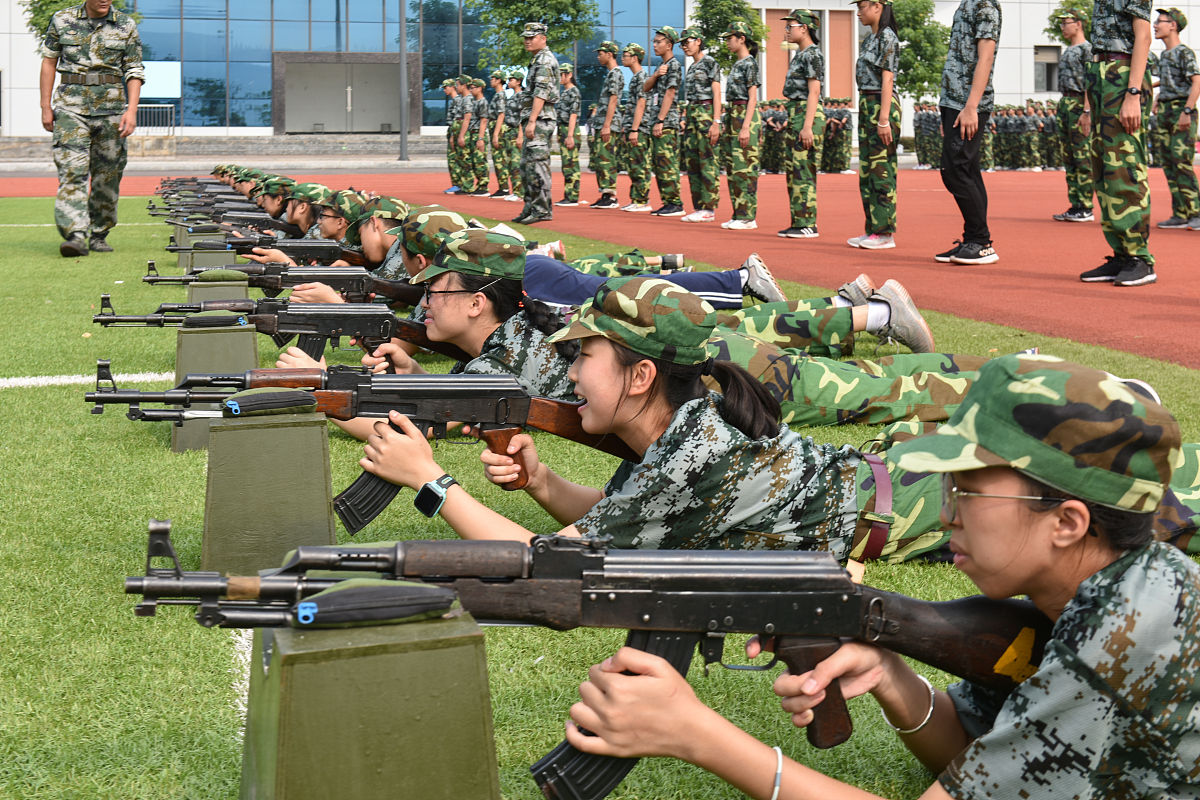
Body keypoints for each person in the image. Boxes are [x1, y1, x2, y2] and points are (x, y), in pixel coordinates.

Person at [560, 352, 1200, 800]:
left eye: (969, 492)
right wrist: (892, 676)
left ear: (1067, 522)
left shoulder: (1125, 635)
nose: (947, 513)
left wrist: (696, 735)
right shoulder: (1101, 596)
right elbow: (976, 757)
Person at [360, 272, 955, 562]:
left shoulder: (688, 458)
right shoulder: (677, 427)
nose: (571, 374)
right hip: (894, 468)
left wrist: (431, 483)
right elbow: (616, 511)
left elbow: (546, 562)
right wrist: (541, 481)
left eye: (583, 357)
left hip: (924, 498)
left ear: (642, 376)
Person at [39, 0, 144, 257]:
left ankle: (99, 232)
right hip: (70, 108)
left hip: (111, 111)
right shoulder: (62, 20)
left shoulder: (126, 25)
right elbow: (49, 61)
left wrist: (131, 110)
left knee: (107, 175)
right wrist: (45, 106)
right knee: (72, 171)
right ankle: (75, 234)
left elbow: (134, 69)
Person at [1077, 0, 1156, 286]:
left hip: (1123, 75)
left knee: (1125, 168)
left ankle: (1140, 258)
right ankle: (1121, 253)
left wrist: (1133, 93)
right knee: (1103, 171)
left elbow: (1143, 36)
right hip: (1100, 74)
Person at [933, 0, 1001, 267]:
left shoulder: (985, 5)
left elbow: (986, 56)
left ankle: (981, 242)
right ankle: (974, 238)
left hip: (967, 103)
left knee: (956, 170)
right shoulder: (967, 5)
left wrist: (971, 106)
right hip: (954, 102)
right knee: (967, 170)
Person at [847, 0, 901, 250]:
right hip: (868, 102)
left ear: (878, 6)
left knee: (882, 170)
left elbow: (887, 79)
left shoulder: (887, 37)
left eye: (863, 6)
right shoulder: (870, 39)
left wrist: (884, 119)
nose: (859, 12)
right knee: (867, 171)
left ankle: (884, 232)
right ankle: (872, 229)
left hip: (881, 103)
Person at [1151, 7, 1200, 230]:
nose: (1155, 25)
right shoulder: (1165, 55)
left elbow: (1196, 81)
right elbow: (1169, 79)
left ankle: (1196, 212)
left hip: (1181, 109)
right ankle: (1180, 213)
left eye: (1159, 21)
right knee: (1169, 163)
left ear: (1173, 25)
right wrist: (1157, 97)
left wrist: (1187, 111)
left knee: (1182, 162)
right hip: (1165, 111)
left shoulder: (1184, 52)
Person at [779, 9, 826, 239]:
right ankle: (798, 221)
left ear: (804, 28)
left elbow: (814, 91)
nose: (786, 30)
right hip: (796, 113)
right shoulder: (800, 54)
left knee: (803, 170)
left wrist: (807, 126)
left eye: (791, 26)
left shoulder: (813, 54)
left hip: (806, 114)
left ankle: (808, 223)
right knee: (794, 171)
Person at [1052, 10, 1096, 223]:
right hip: (1066, 103)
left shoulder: (1087, 49)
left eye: (1066, 23)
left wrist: (1087, 111)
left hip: (1079, 103)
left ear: (1078, 24)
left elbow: (1091, 81)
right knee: (1068, 156)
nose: (1063, 27)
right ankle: (1076, 204)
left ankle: (1086, 206)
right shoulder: (1069, 50)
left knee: (1082, 156)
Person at [718, 21, 763, 231]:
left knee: (745, 167)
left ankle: (747, 216)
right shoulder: (737, 63)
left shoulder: (750, 63)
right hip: (733, 114)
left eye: (730, 38)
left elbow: (753, 97)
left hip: (745, 114)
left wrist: (745, 127)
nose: (727, 42)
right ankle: (738, 212)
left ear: (742, 39)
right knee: (734, 168)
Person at [515, 22, 559, 225]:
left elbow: (541, 92)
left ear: (543, 38)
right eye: (526, 37)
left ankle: (542, 210)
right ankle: (530, 207)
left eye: (531, 37)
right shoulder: (537, 59)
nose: (527, 41)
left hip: (541, 119)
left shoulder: (544, 61)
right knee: (527, 166)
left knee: (537, 165)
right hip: (536, 118)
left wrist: (532, 121)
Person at [679, 28, 723, 223]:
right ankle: (698, 207)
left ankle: (708, 208)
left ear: (698, 41)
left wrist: (716, 121)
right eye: (682, 44)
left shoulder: (709, 62)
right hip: (692, 112)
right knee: (693, 161)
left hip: (706, 112)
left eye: (687, 42)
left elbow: (716, 92)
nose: (684, 46)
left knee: (707, 160)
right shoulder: (691, 67)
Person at [643, 26, 685, 217]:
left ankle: (675, 203)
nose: (654, 45)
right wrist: (656, 75)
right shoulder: (661, 67)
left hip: (666, 121)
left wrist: (660, 120)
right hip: (657, 120)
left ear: (669, 45)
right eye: (654, 41)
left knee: (667, 161)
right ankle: (667, 201)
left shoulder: (674, 65)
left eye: (658, 42)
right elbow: (646, 88)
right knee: (659, 162)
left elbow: (670, 93)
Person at [589, 41, 624, 209]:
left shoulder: (615, 74)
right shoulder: (611, 74)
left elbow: (613, 100)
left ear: (609, 54)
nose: (598, 56)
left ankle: (611, 196)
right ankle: (605, 194)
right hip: (603, 122)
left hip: (608, 123)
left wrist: (607, 125)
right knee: (600, 158)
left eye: (600, 53)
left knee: (606, 158)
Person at [621, 43, 653, 213]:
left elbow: (641, 103)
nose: (622, 58)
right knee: (633, 164)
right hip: (632, 126)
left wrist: (634, 129)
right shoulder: (635, 77)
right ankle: (636, 198)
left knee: (640, 163)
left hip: (639, 128)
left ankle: (642, 200)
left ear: (634, 58)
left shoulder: (642, 77)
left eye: (625, 55)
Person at [554, 63, 582, 207]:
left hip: (570, 130)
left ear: (569, 75)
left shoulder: (574, 92)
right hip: (563, 129)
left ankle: (572, 197)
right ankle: (568, 194)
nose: (559, 77)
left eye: (562, 74)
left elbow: (573, 115)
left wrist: (570, 135)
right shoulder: (565, 92)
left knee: (571, 164)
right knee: (566, 165)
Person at [487, 70, 514, 199]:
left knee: (500, 158)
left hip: (498, 127)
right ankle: (502, 187)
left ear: (499, 80)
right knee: (497, 158)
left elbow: (501, 114)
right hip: (494, 126)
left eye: (493, 78)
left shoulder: (501, 95)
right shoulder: (498, 95)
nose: (491, 80)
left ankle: (504, 188)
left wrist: (496, 134)